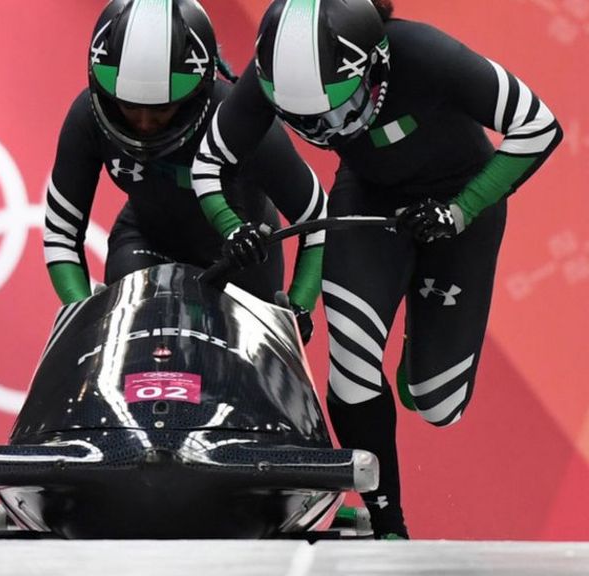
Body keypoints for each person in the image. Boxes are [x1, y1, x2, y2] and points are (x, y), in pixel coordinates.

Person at [193, 0, 563, 538]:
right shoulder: (266, 74)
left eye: (340, 111)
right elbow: (210, 163)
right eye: (307, 123)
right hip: (369, 204)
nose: (326, 128)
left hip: (461, 205)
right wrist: (233, 227)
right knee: (351, 361)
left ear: (378, 64)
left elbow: (538, 125)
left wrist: (459, 211)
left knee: (439, 404)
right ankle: (389, 524)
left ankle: (419, 354)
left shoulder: (426, 52)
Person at [43, 0, 329, 339]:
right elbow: (61, 231)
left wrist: (297, 308)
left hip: (242, 259)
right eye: (129, 108)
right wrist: (82, 313)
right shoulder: (87, 117)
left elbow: (316, 217)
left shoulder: (240, 119)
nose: (144, 124)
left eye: (161, 109)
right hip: (146, 241)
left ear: (196, 93)